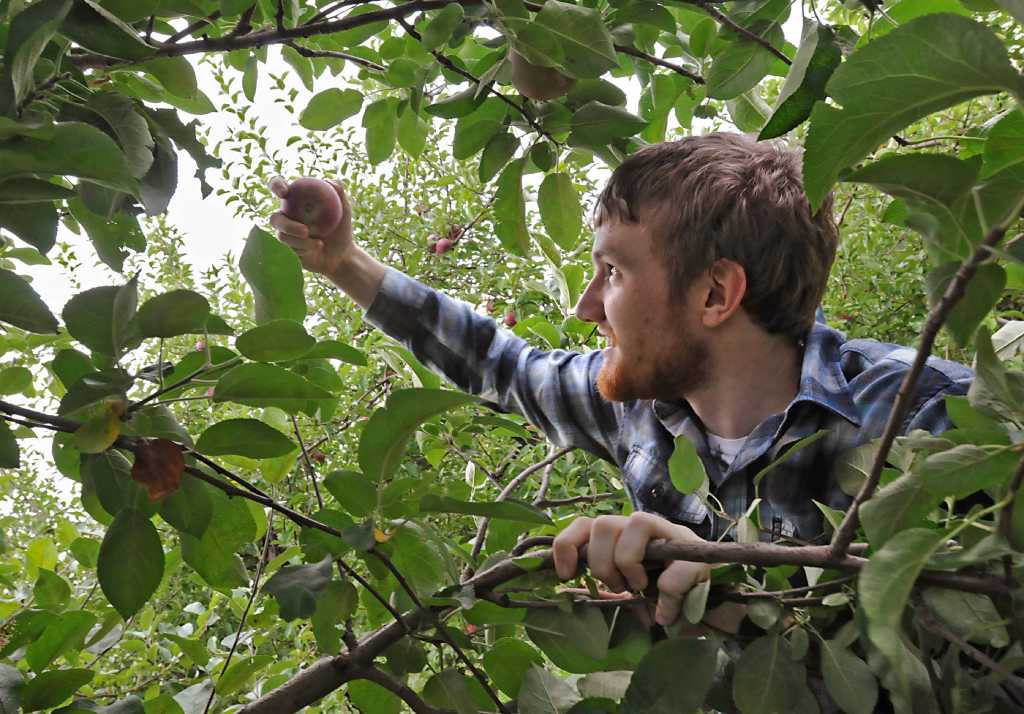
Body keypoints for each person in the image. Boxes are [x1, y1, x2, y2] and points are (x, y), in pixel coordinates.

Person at [268, 132, 972, 629]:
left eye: (613, 272)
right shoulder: (644, 412)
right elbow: (501, 364)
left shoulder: (929, 422)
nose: (584, 308)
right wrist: (344, 263)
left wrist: (738, 606)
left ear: (714, 295)